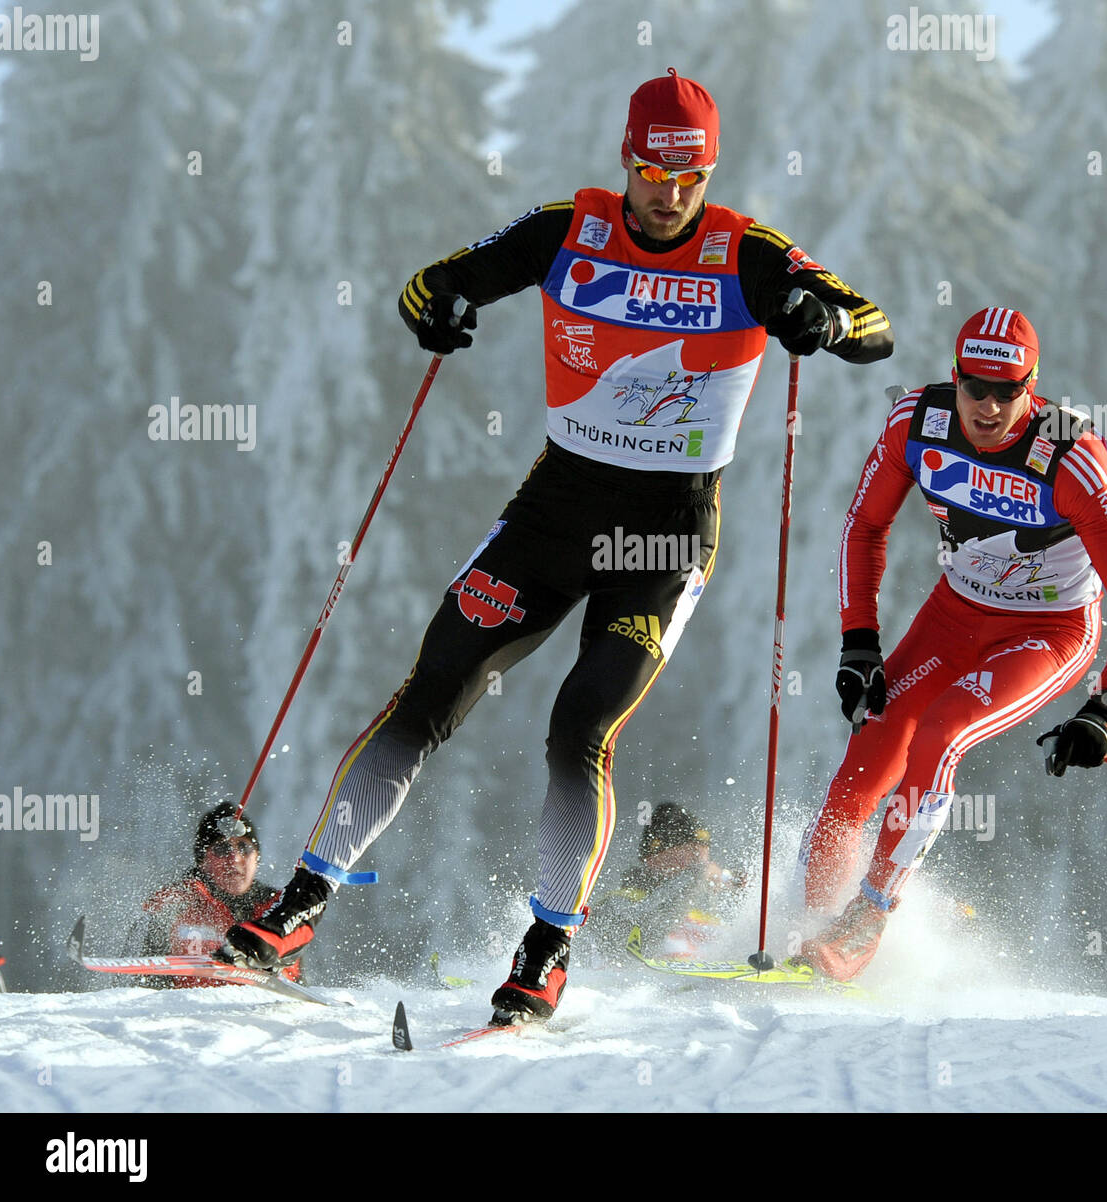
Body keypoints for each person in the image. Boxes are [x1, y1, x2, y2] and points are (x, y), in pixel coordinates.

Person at [220, 68, 893, 1024]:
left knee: (578, 730)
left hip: (662, 538)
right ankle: (297, 907)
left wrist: (819, 317)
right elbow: (434, 280)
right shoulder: (565, 228)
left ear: (708, 172)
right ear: (626, 160)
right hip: (551, 513)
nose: (670, 195)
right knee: (430, 693)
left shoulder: (746, 252)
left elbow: (874, 326)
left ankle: (546, 948)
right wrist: (438, 306)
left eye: (690, 177)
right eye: (655, 174)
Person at [793, 307, 1107, 981]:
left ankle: (867, 918)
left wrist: (1105, 706)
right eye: (976, 389)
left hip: (1047, 634)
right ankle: (805, 931)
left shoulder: (1070, 454)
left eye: (1008, 391)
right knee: (861, 771)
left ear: (1032, 387)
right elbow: (863, 527)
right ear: (954, 378)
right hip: (951, 620)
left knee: (941, 732)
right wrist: (858, 641)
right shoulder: (917, 423)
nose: (990, 407)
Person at [126, 803, 304, 987]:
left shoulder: (280, 907)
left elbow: (298, 985)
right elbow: (143, 982)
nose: (234, 858)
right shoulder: (175, 903)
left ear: (257, 858)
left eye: (244, 848)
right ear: (202, 860)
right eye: (222, 850)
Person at [593, 802, 747, 958]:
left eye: (704, 856)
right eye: (692, 854)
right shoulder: (616, 902)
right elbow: (639, 942)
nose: (702, 864)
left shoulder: (707, 910)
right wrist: (696, 877)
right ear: (653, 858)